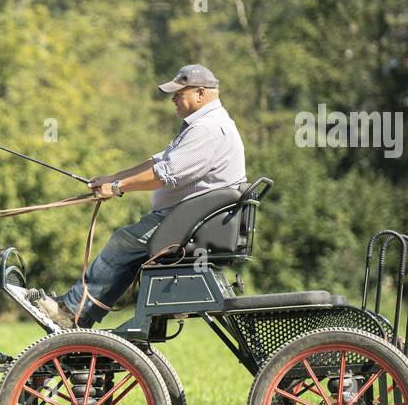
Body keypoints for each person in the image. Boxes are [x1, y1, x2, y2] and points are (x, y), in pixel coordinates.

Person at [29, 64, 246, 328]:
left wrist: (118, 188)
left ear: (201, 93)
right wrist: (111, 178)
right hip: (194, 222)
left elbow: (165, 174)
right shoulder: (208, 124)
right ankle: (79, 313)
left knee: (123, 242)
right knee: (127, 245)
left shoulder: (207, 129)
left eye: (179, 93)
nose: (173, 99)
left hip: (189, 225)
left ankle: (71, 312)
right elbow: (158, 162)